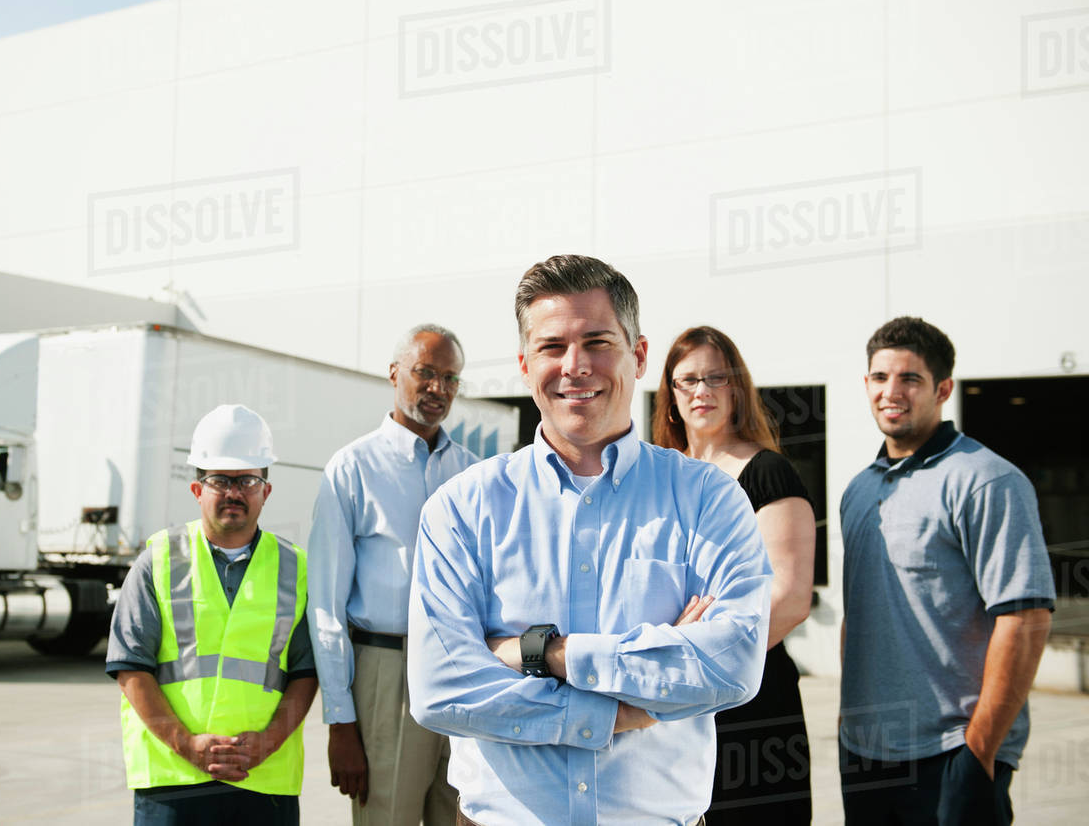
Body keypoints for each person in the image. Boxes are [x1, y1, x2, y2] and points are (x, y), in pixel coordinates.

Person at [408, 254, 773, 825]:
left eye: (598, 341)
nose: (575, 366)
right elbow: (442, 689)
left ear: (641, 355)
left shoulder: (708, 500)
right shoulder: (461, 510)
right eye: (552, 347)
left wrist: (548, 654)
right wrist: (621, 705)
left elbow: (731, 666)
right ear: (525, 365)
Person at [839, 317, 1054, 826]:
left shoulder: (987, 480)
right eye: (879, 377)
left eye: (909, 379)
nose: (891, 392)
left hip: (953, 751)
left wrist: (978, 752)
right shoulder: (859, 490)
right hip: (865, 755)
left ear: (943, 389)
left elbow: (1025, 619)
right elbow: (858, 614)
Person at [107, 404, 317, 825]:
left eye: (248, 480)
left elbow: (306, 673)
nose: (234, 492)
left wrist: (267, 744)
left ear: (266, 491)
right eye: (220, 480)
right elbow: (131, 668)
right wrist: (187, 744)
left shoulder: (297, 569)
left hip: (263, 780)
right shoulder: (158, 561)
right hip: (173, 779)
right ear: (197, 489)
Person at [308, 325, 479, 826]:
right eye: (426, 372)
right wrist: (340, 722)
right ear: (394, 373)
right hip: (387, 675)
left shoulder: (472, 474)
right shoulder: (352, 469)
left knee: (463, 817)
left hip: (461, 672)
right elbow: (326, 608)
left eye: (451, 378)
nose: (438, 389)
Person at [652, 325, 814, 824]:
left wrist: (703, 663)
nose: (702, 391)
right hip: (672, 699)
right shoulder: (658, 476)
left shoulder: (767, 472)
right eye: (688, 380)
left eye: (716, 378)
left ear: (736, 389)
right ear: (670, 394)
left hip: (751, 701)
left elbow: (788, 597)